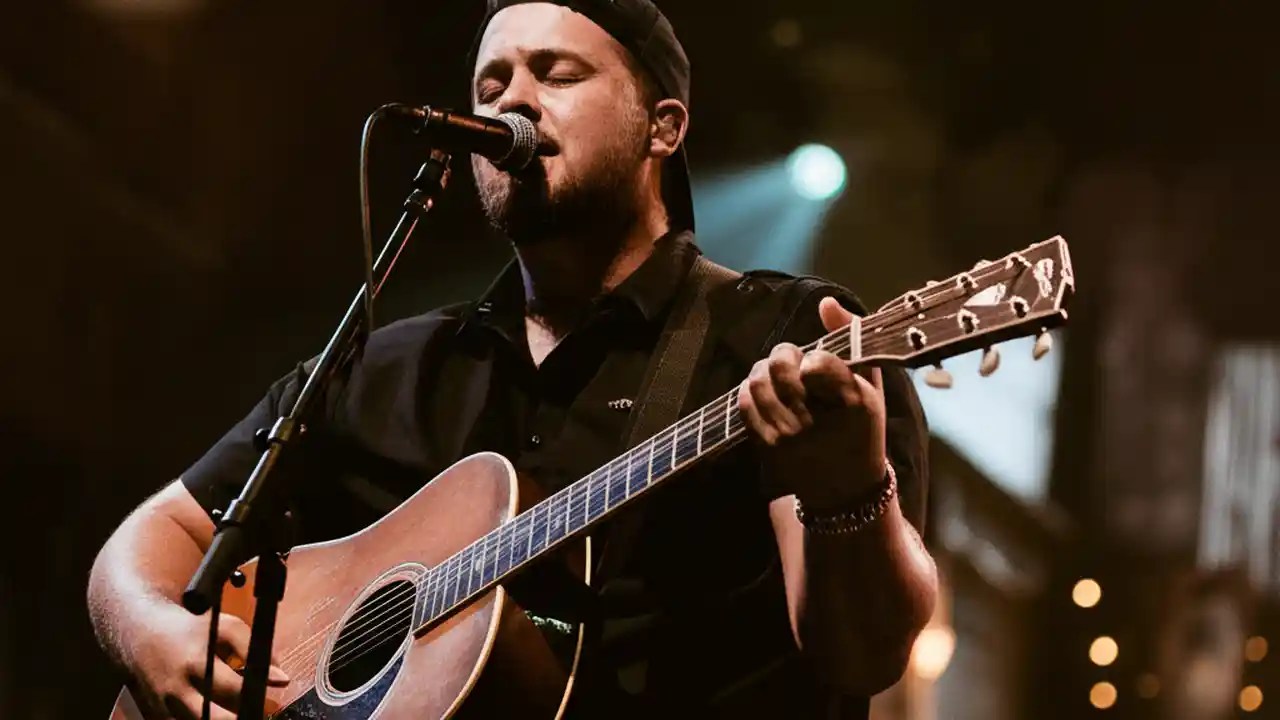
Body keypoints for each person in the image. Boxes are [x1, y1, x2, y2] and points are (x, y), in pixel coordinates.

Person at [86, 1, 938, 718]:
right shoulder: (392, 364)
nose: (512, 104)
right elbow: (157, 535)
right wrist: (152, 633)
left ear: (662, 127)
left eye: (556, 74)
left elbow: (860, 660)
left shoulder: (778, 337)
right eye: (491, 85)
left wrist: (847, 495)